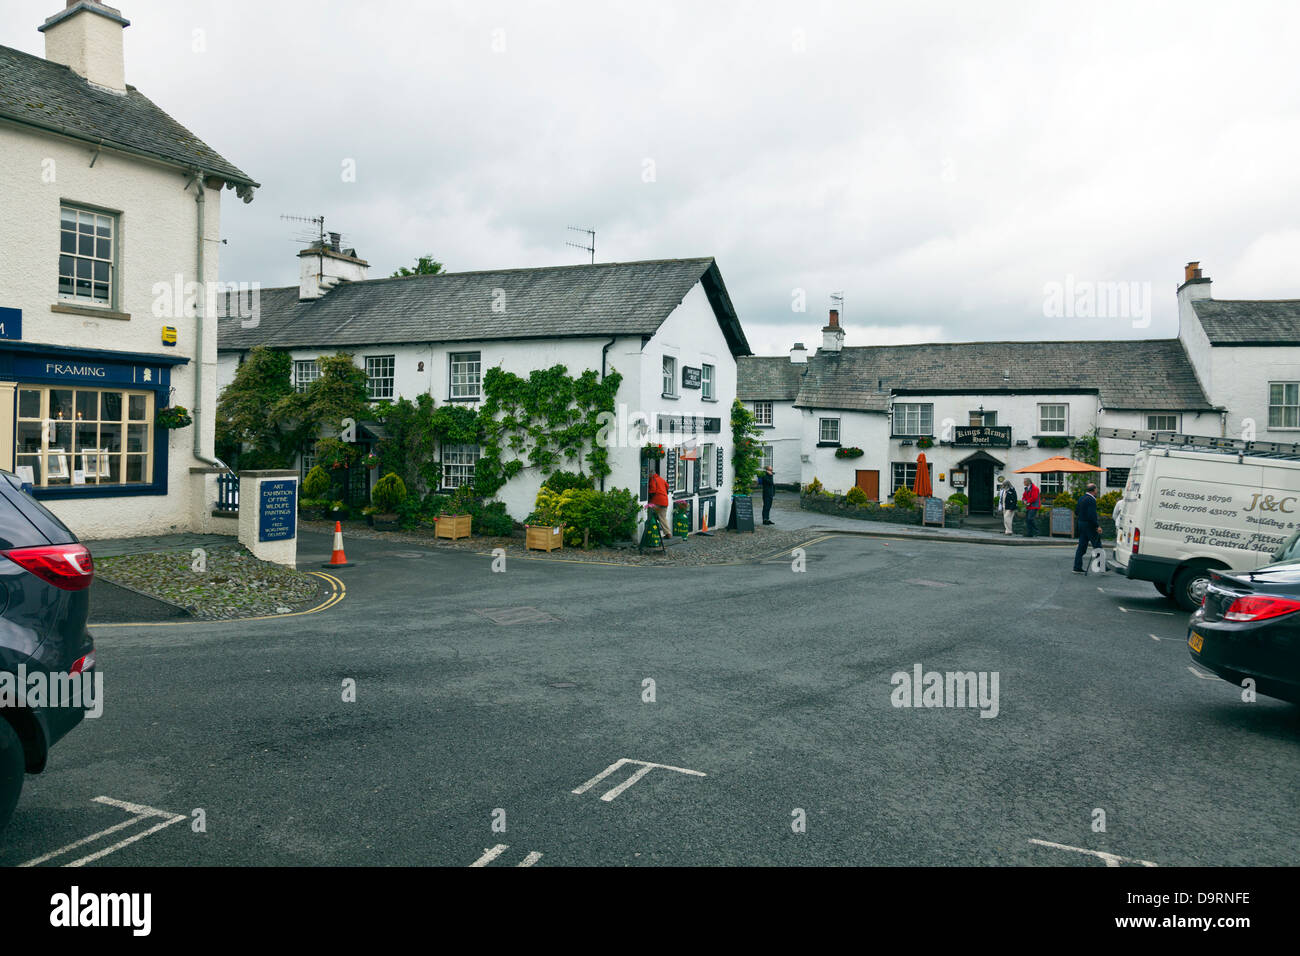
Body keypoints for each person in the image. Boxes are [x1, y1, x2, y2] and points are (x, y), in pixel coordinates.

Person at [1073, 482, 1102, 573]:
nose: (1097, 491)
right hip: (1089, 525)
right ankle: (1101, 566)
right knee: (1097, 545)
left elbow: (1076, 511)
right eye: (1096, 489)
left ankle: (1077, 567)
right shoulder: (1091, 500)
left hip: (1081, 524)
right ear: (1094, 490)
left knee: (1081, 546)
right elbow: (1092, 515)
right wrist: (1097, 526)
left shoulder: (1081, 498)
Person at [647, 467, 670, 534]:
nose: (648, 476)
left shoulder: (653, 479)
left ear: (651, 474)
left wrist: (648, 491)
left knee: (650, 514)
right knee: (663, 518)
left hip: (657, 501)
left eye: (649, 475)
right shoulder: (661, 479)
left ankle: (651, 531)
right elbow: (667, 486)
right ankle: (667, 533)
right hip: (665, 500)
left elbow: (653, 490)